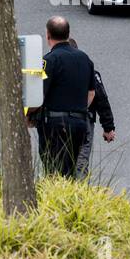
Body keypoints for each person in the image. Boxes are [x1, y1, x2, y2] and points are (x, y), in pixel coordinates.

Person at [28, 16, 95, 178]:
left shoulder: (49, 60)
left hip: (55, 124)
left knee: (53, 170)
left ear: (48, 35)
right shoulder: (84, 58)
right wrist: (76, 109)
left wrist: (28, 114)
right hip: (80, 123)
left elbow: (38, 96)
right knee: (70, 171)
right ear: (68, 33)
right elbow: (91, 93)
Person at [68, 38, 116, 179]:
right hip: (84, 121)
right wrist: (108, 128)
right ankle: (78, 194)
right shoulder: (91, 73)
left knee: (61, 159)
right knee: (81, 160)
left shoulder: (54, 70)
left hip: (59, 122)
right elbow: (101, 100)